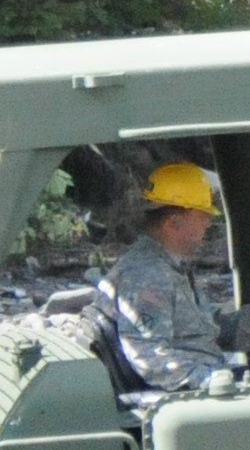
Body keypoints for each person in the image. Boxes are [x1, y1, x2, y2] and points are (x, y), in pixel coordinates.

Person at [100, 160, 234, 393]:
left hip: (202, 378)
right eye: (202, 215)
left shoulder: (168, 266)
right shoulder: (147, 274)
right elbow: (147, 352)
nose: (209, 223)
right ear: (175, 221)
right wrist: (211, 380)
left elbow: (200, 330)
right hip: (187, 394)